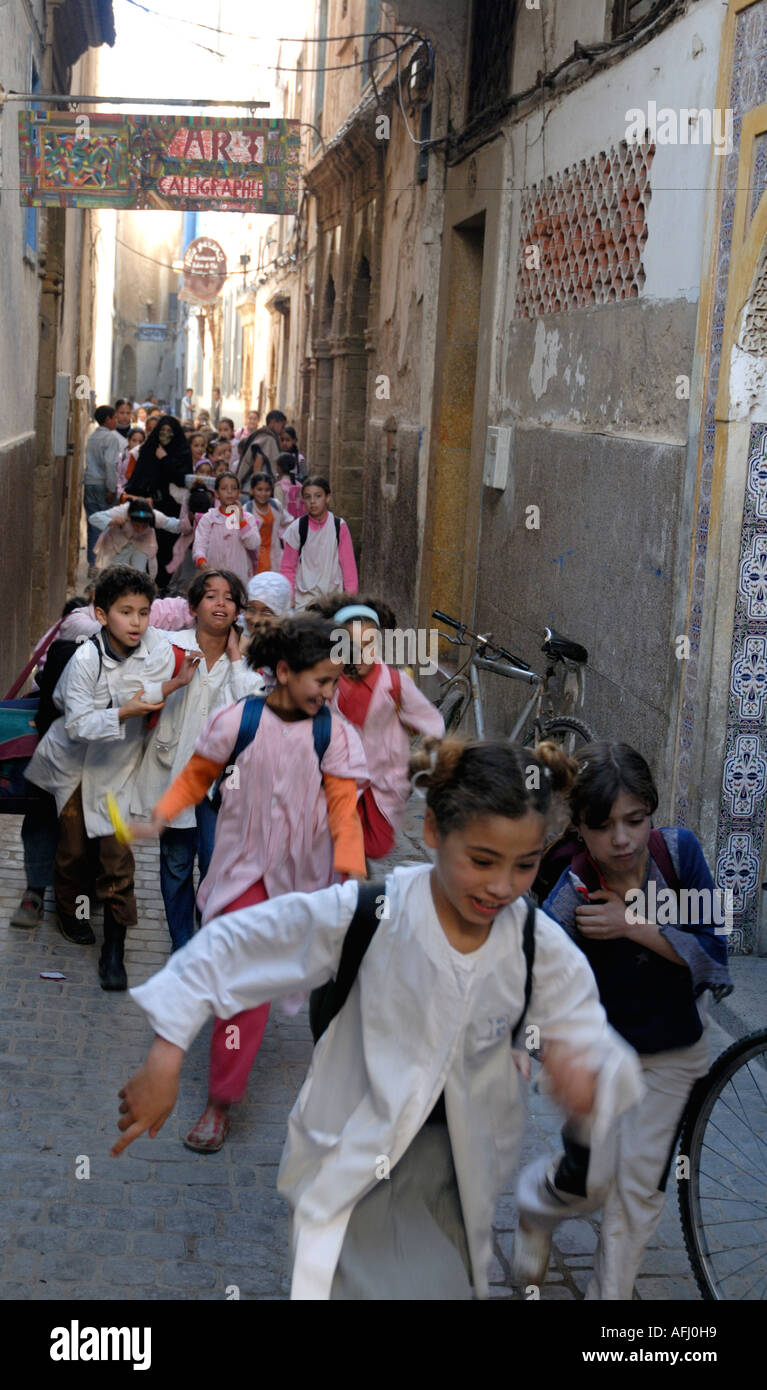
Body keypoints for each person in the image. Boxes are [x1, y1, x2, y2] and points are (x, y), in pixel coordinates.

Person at [113, 736, 643, 1298]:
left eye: (525, 865)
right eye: (482, 860)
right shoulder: (372, 915)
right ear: (435, 831)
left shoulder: (535, 944)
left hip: (460, 1186)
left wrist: (586, 1065)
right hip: (355, 1169)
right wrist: (166, 1051)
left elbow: (588, 1027)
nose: (501, 886)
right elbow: (237, 946)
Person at [127, 614, 369, 1154]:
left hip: (301, 879)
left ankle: (227, 1070)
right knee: (242, 985)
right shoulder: (240, 720)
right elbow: (196, 776)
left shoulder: (333, 734)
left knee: (252, 982)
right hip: (240, 870)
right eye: (321, 680)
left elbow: (342, 812)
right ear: (283, 671)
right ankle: (220, 1100)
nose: (330, 692)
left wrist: (352, 875)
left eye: (335, 682)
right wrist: (161, 817)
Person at [513, 742, 732, 1301]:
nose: (622, 839)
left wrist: (637, 926)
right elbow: (533, 980)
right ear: (580, 829)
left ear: (651, 814)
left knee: (637, 1190)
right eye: (604, 825)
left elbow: (715, 952)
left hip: (674, 1050)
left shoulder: (680, 854)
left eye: (635, 820)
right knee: (590, 1180)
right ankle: (538, 1205)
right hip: (601, 1055)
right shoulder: (573, 892)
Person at [24, 568, 199, 990]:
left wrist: (179, 679)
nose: (137, 622)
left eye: (143, 612)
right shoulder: (84, 661)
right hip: (73, 769)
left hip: (119, 772)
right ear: (102, 615)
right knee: (74, 854)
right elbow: (79, 724)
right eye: (125, 612)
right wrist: (126, 711)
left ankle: (114, 949)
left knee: (117, 858)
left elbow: (193, 647)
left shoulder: (156, 644)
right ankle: (76, 913)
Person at [132, 569, 262, 952]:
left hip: (219, 786)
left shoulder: (249, 660)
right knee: (175, 866)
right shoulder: (170, 646)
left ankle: (207, 947)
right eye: (211, 596)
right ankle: (182, 945)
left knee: (215, 867)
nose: (220, 603)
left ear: (237, 610)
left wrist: (237, 656)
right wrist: (177, 681)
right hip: (171, 776)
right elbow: (140, 694)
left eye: (228, 597)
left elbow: (251, 709)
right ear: (193, 606)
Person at [311, 594, 445, 861]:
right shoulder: (327, 681)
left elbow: (433, 725)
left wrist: (425, 760)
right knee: (337, 851)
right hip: (336, 783)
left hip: (383, 785)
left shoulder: (395, 683)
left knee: (373, 847)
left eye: (369, 645)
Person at [129, 415, 193, 589]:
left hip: (171, 509)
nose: (165, 435)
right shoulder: (148, 449)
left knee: (167, 550)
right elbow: (137, 480)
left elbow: (182, 479)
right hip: (148, 507)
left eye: (169, 432)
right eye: (162, 431)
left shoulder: (182, 452)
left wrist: (165, 460)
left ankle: (162, 586)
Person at [281, 476, 358, 608]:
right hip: (304, 600)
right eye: (307, 497)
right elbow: (288, 567)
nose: (312, 501)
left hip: (333, 599)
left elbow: (348, 566)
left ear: (327, 498)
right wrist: (290, 597)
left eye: (318, 496)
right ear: (303, 500)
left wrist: (350, 597)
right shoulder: (297, 528)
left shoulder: (339, 526)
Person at [192, 472, 260, 588]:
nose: (229, 492)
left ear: (239, 493)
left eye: (233, 489)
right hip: (213, 576)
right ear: (217, 493)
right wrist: (202, 562)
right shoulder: (209, 518)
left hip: (239, 578)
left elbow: (253, 544)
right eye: (224, 488)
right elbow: (200, 544)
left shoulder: (248, 518)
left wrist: (241, 520)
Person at [89, 498, 181, 580]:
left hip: (142, 546)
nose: (140, 530)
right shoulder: (121, 511)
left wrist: (191, 523)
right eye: (136, 526)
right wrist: (113, 521)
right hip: (119, 546)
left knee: (138, 575)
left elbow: (175, 525)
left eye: (144, 526)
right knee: (116, 574)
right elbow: (93, 518)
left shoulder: (155, 517)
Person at [83, 406, 122, 571]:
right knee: (107, 524)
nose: (116, 421)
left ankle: (93, 564)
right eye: (114, 417)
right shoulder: (111, 438)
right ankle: (102, 563)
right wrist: (111, 488)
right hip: (103, 485)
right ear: (107, 419)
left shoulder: (92, 437)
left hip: (90, 483)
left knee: (93, 524)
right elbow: (109, 463)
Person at [239, 572, 293, 657]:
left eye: (267, 613)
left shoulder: (291, 647)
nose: (255, 620)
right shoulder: (234, 634)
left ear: (282, 615)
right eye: (251, 609)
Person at [245, 473, 286, 573]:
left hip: (273, 553)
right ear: (252, 490)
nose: (263, 493)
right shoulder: (247, 510)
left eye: (267, 490)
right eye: (259, 489)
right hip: (253, 555)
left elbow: (287, 522)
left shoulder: (276, 505)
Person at [237, 408, 287, 486]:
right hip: (256, 485)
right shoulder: (267, 439)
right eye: (282, 426)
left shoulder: (266, 436)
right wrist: (257, 486)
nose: (283, 430)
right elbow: (258, 464)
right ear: (273, 422)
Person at [273, 452, 305, 520]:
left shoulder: (279, 486)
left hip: (285, 526)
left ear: (279, 468)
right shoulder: (300, 485)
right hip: (299, 523)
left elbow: (278, 509)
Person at [116, 427, 146, 500]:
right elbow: (118, 477)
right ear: (128, 440)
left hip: (140, 495)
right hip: (124, 494)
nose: (137, 444)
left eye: (140, 442)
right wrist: (121, 493)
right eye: (134, 441)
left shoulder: (144, 458)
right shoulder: (122, 457)